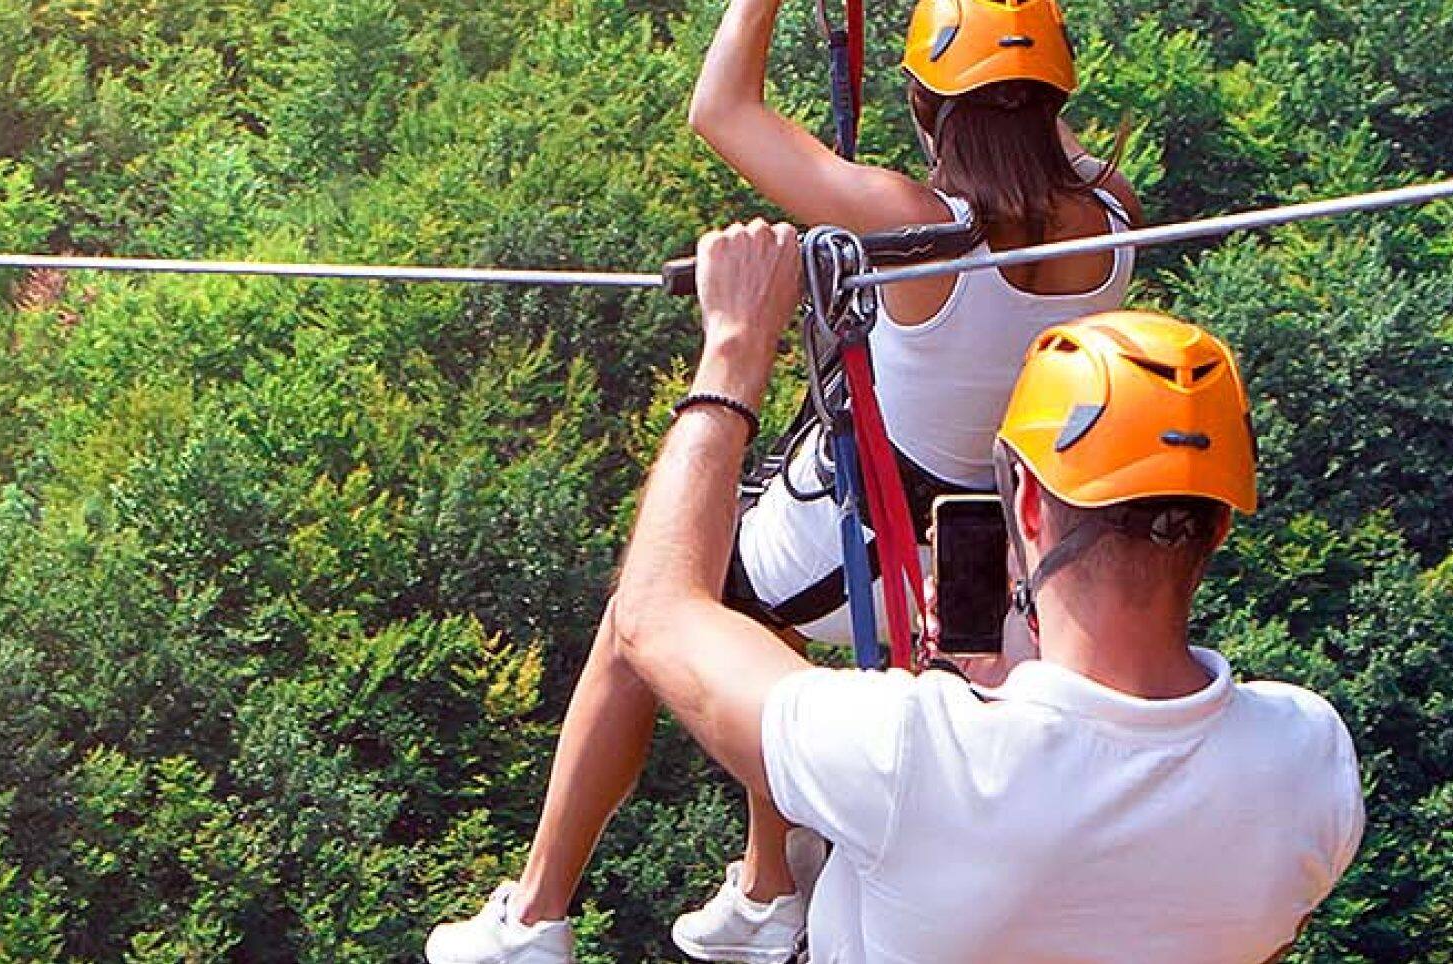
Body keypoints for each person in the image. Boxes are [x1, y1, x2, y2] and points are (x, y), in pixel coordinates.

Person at [427, 0, 1145, 959]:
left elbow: (721, 111)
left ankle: (536, 915)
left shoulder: (916, 222)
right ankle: (769, 889)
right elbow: (1039, 133)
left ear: (928, 106)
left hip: (876, 519)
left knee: (646, 615)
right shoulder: (1110, 213)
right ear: (1053, 96)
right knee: (767, 645)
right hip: (989, 548)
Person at [607, 221, 1363, 960]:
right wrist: (1010, 687)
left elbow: (654, 613)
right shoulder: (1306, 761)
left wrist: (734, 352)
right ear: (1220, 525)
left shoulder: (915, 753)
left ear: (1028, 507)